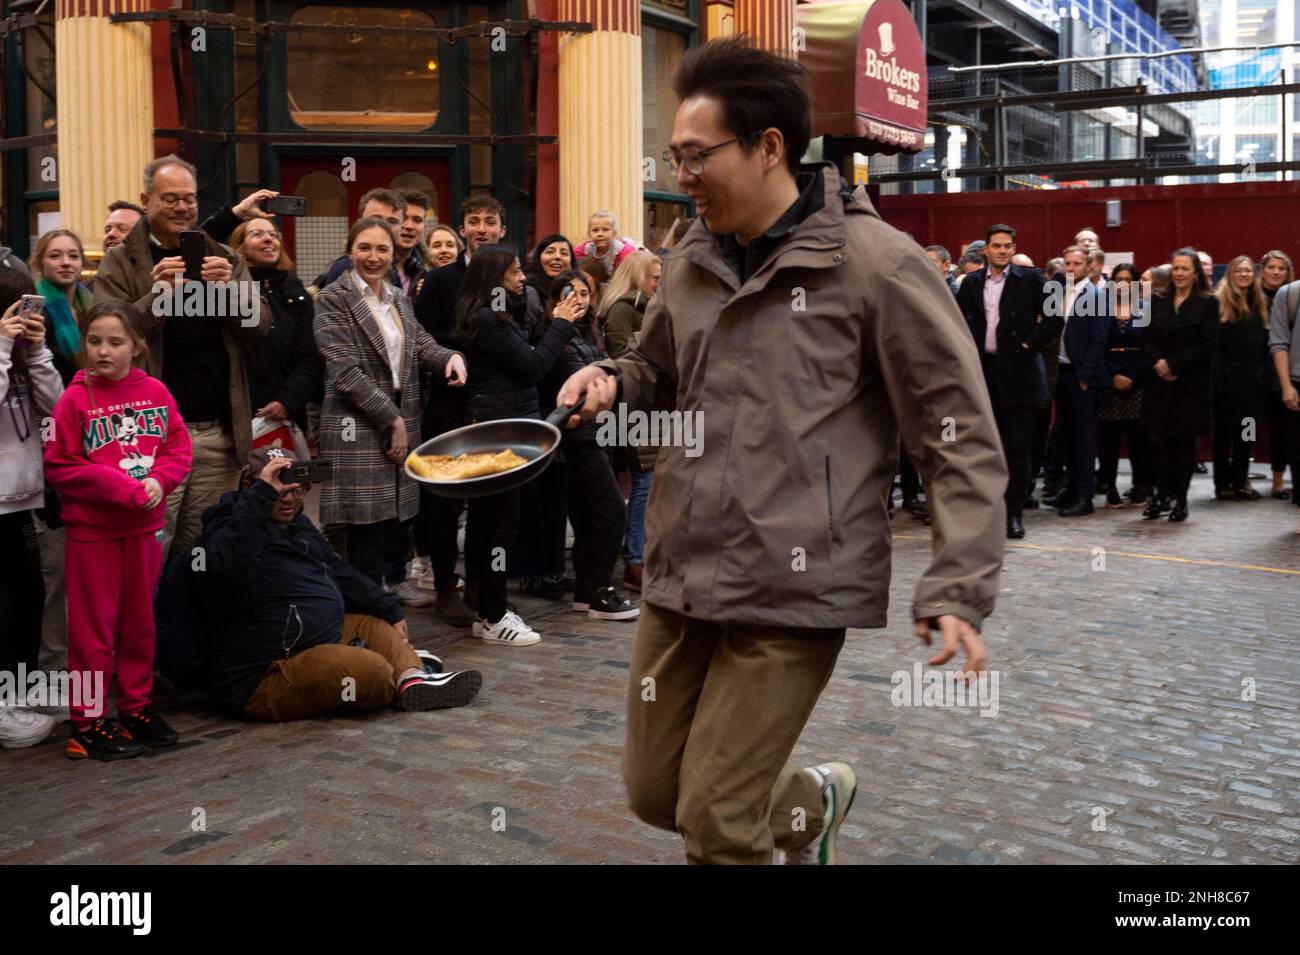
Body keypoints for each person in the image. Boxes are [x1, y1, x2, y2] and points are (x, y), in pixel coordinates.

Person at [558, 37, 1005, 865]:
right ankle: (816, 802)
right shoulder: (689, 253)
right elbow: (657, 366)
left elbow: (958, 435)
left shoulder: (880, 267)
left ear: (770, 147)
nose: (681, 173)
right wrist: (613, 384)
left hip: (797, 582)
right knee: (658, 793)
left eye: (697, 156)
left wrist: (960, 582)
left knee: (719, 824)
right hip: (684, 563)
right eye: (676, 155)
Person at [195, 446, 482, 720]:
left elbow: (340, 572)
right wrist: (260, 497)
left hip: (314, 640)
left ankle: (412, 679)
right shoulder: (225, 527)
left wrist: (387, 607)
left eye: (296, 489)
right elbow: (225, 567)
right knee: (373, 671)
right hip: (265, 673)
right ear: (250, 487)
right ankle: (395, 671)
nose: (288, 499)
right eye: (276, 489)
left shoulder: (297, 525)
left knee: (373, 622)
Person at [93, 154, 267, 560]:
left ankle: (189, 626)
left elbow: (260, 326)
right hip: (149, 438)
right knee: (148, 550)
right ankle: (147, 626)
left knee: (203, 551)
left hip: (217, 435)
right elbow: (105, 341)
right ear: (146, 199)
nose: (181, 207)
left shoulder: (223, 256)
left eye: (188, 199)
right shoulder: (122, 261)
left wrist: (232, 293)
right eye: (170, 199)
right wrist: (157, 296)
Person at [43, 301, 193, 760]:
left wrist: (158, 480)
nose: (103, 352)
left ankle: (135, 706)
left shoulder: (157, 392)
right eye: (94, 341)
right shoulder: (72, 401)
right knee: (93, 629)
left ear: (137, 347)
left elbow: (177, 447)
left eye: (115, 342)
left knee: (138, 623)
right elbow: (58, 464)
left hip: (144, 527)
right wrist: (121, 487)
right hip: (94, 533)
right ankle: (87, 721)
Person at [314, 217, 467, 598]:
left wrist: (449, 357)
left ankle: (382, 622)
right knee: (361, 538)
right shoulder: (333, 299)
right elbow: (344, 372)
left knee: (390, 529)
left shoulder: (397, 297)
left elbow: (419, 344)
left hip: (402, 421)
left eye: (382, 248)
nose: (373, 256)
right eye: (364, 248)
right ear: (350, 252)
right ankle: (362, 632)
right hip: (358, 430)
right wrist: (392, 420)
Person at [453, 245, 577, 645]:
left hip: (501, 428)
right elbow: (534, 366)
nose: (522, 278)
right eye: (514, 273)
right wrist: (559, 325)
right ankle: (494, 614)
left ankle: (486, 606)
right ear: (494, 279)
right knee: (499, 526)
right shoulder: (489, 320)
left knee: (489, 522)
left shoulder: (494, 315)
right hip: (501, 434)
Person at [409, 196, 509, 623]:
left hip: (495, 405)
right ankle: (446, 586)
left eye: (490, 221)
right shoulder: (439, 281)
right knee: (444, 504)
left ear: (502, 230)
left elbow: (514, 336)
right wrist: (467, 344)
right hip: (450, 406)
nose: (482, 228)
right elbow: (424, 336)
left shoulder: (506, 281)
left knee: (492, 504)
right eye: (474, 222)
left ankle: (487, 586)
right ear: (463, 229)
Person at [536, 270, 639, 619]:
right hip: (578, 438)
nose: (579, 297)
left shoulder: (587, 333)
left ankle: (588, 591)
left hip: (597, 435)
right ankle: (598, 591)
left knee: (590, 515)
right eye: (570, 291)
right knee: (611, 511)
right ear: (555, 299)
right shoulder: (555, 335)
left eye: (585, 292)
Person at [956, 223, 1060, 539]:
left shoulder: (1032, 279)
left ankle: (1013, 514)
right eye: (997, 245)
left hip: (1019, 373)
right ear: (985, 249)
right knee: (985, 446)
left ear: (1014, 248)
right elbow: (959, 323)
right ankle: (987, 511)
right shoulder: (971, 283)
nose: (1002, 250)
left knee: (1018, 448)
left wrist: (1028, 345)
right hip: (983, 372)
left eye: (1007, 245)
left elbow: (1055, 318)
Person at [0, 271, 64, 750]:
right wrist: (2, 349)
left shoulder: (25, 359)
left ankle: (17, 695)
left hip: (20, 500)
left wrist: (37, 353)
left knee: (28, 595)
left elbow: (57, 408)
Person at [1141, 248, 1220, 522]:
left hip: (1190, 385)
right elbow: (1146, 339)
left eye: (1185, 268)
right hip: (1158, 382)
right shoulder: (1155, 300)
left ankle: (1181, 500)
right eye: (1176, 268)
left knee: (1183, 443)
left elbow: (1208, 345)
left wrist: (1173, 364)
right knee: (1158, 441)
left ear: (1196, 272)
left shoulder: (1208, 303)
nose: (1179, 273)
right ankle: (1161, 495)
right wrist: (1160, 364)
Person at [228, 217, 323, 437]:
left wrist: (287, 401)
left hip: (288, 414)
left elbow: (310, 357)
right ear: (239, 247)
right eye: (257, 234)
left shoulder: (296, 291)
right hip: (239, 411)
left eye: (273, 234)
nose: (268, 239)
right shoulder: (229, 289)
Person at [602, 250, 662, 590]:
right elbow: (625, 358)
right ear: (639, 277)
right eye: (654, 277)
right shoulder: (624, 310)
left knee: (655, 482)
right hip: (638, 408)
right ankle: (634, 561)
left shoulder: (652, 307)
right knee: (645, 481)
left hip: (660, 407)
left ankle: (647, 555)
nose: (659, 283)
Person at [1047, 245, 1109, 517]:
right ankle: (1070, 490)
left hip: (1079, 376)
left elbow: (1099, 340)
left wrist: (1085, 376)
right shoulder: (1059, 292)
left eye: (1076, 264)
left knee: (1083, 439)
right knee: (1067, 436)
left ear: (1089, 266)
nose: (1071, 268)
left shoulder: (1094, 294)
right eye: (1067, 264)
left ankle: (1085, 497)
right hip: (1060, 372)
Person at [1211, 256, 1270, 501]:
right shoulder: (1218, 303)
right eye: (1239, 270)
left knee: (1247, 436)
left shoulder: (1261, 304)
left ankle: (1240, 481)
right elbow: (1213, 348)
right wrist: (1217, 383)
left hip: (1252, 388)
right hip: (1226, 386)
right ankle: (1222, 483)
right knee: (1223, 438)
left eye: (1248, 271)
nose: (1244, 274)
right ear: (1231, 273)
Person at [1096, 263, 1152, 506]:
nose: (1122, 283)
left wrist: (1132, 376)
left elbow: (1148, 348)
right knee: (1108, 439)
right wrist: (1114, 375)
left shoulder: (1143, 309)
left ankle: (1141, 484)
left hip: (1137, 382)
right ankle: (1109, 486)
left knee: (1138, 438)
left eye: (1128, 279)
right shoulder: (1101, 308)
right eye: (1118, 279)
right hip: (1108, 383)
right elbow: (1097, 347)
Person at [312, 188, 408, 290]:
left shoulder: (393, 269)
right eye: (375, 219)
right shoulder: (346, 268)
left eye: (392, 221)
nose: (383, 227)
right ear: (360, 223)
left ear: (402, 228)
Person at [29, 229, 91, 383]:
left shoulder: (93, 302)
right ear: (39, 264)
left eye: (74, 256)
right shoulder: (33, 308)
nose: (66, 262)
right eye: (55, 256)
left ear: (82, 263)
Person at [1259, 250, 1294, 499]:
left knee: (1283, 430)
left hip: (1282, 374)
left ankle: (1279, 479)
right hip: (1252, 375)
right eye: (1271, 267)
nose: (1276, 272)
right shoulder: (1250, 297)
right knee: (1246, 425)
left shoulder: (1293, 296)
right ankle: (1240, 470)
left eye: (1281, 268)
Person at [1269, 273, 1300, 532]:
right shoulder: (1289, 294)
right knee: (1249, 430)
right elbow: (1278, 342)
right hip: (1289, 382)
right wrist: (1286, 385)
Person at [574, 210, 643, 276]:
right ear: (589, 234)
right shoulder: (586, 247)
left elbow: (624, 278)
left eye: (605, 229)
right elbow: (572, 260)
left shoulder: (622, 251)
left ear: (614, 233)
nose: (600, 234)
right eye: (595, 230)